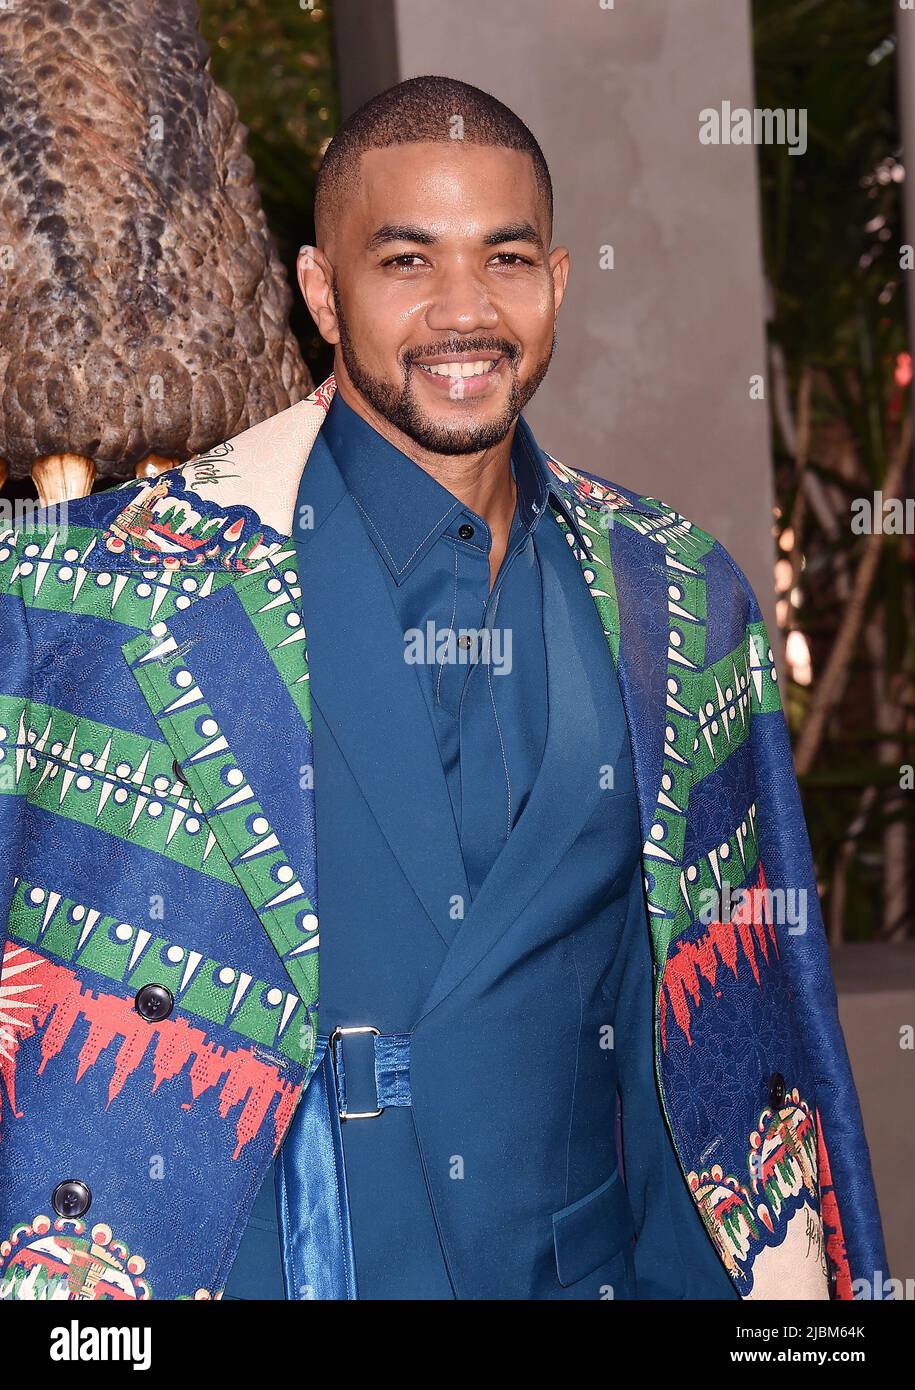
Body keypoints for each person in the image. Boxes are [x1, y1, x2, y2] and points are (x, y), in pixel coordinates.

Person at [0, 76, 885, 1302]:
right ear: (321, 291)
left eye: (505, 258)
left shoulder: (679, 593)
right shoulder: (103, 601)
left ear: (559, 283)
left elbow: (724, 1040)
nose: (463, 313)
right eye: (406, 260)